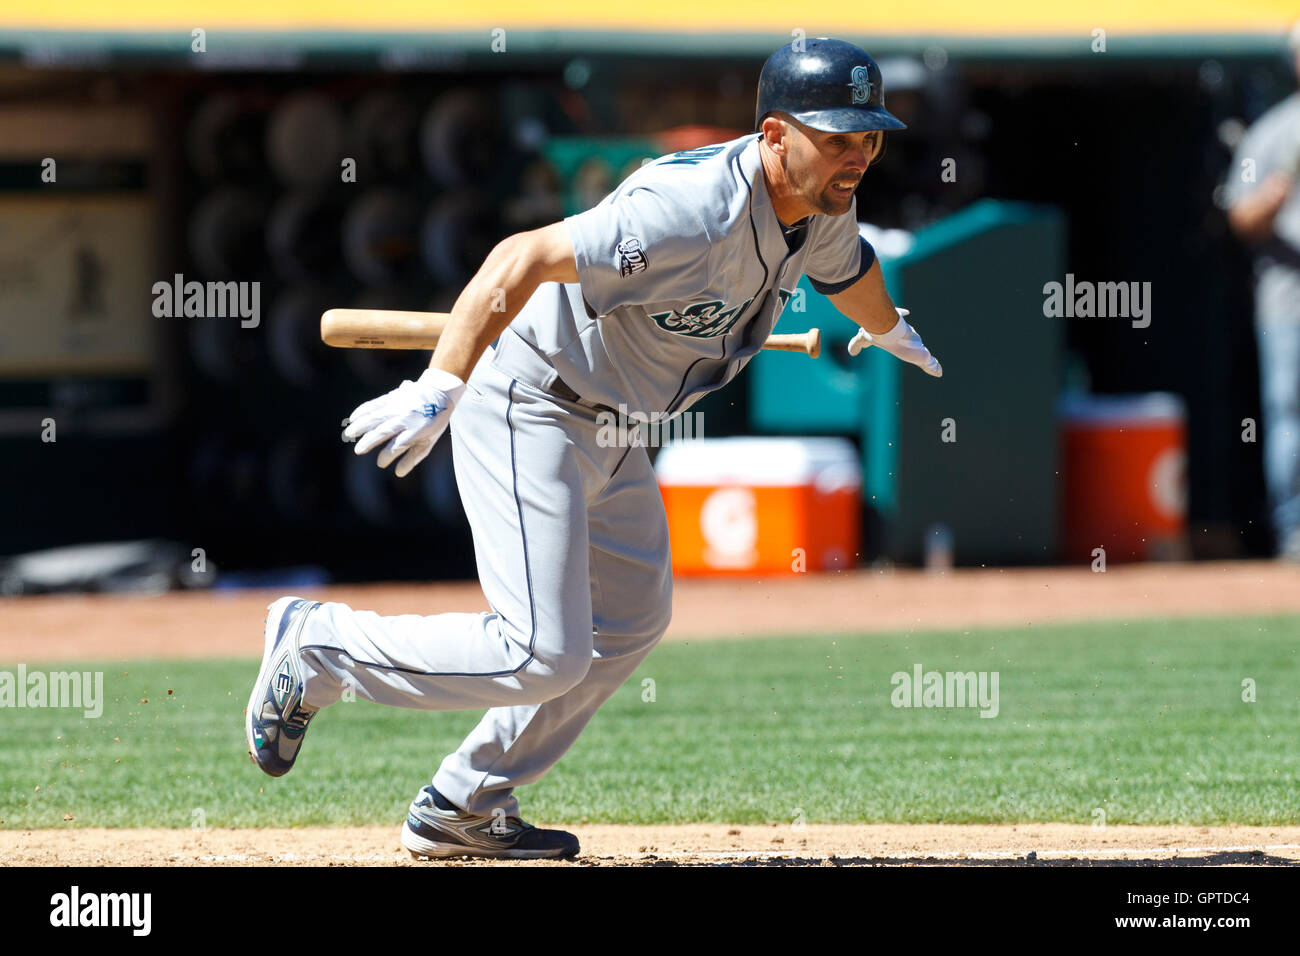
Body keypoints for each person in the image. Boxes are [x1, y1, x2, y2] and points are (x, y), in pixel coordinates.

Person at [244, 37, 943, 860]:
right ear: (774, 135)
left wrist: (883, 324)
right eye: (836, 137)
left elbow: (844, 267)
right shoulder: (684, 209)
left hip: (616, 425)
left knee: (630, 623)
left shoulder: (823, 201)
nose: (857, 155)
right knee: (539, 651)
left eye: (868, 137)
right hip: (534, 400)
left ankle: (465, 804)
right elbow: (521, 257)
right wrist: (441, 385)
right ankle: (318, 648)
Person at [1225, 21, 1300, 560]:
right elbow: (1239, 215)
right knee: (1289, 412)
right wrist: (1274, 196)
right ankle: (1294, 533)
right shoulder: (1275, 131)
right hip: (1288, 296)